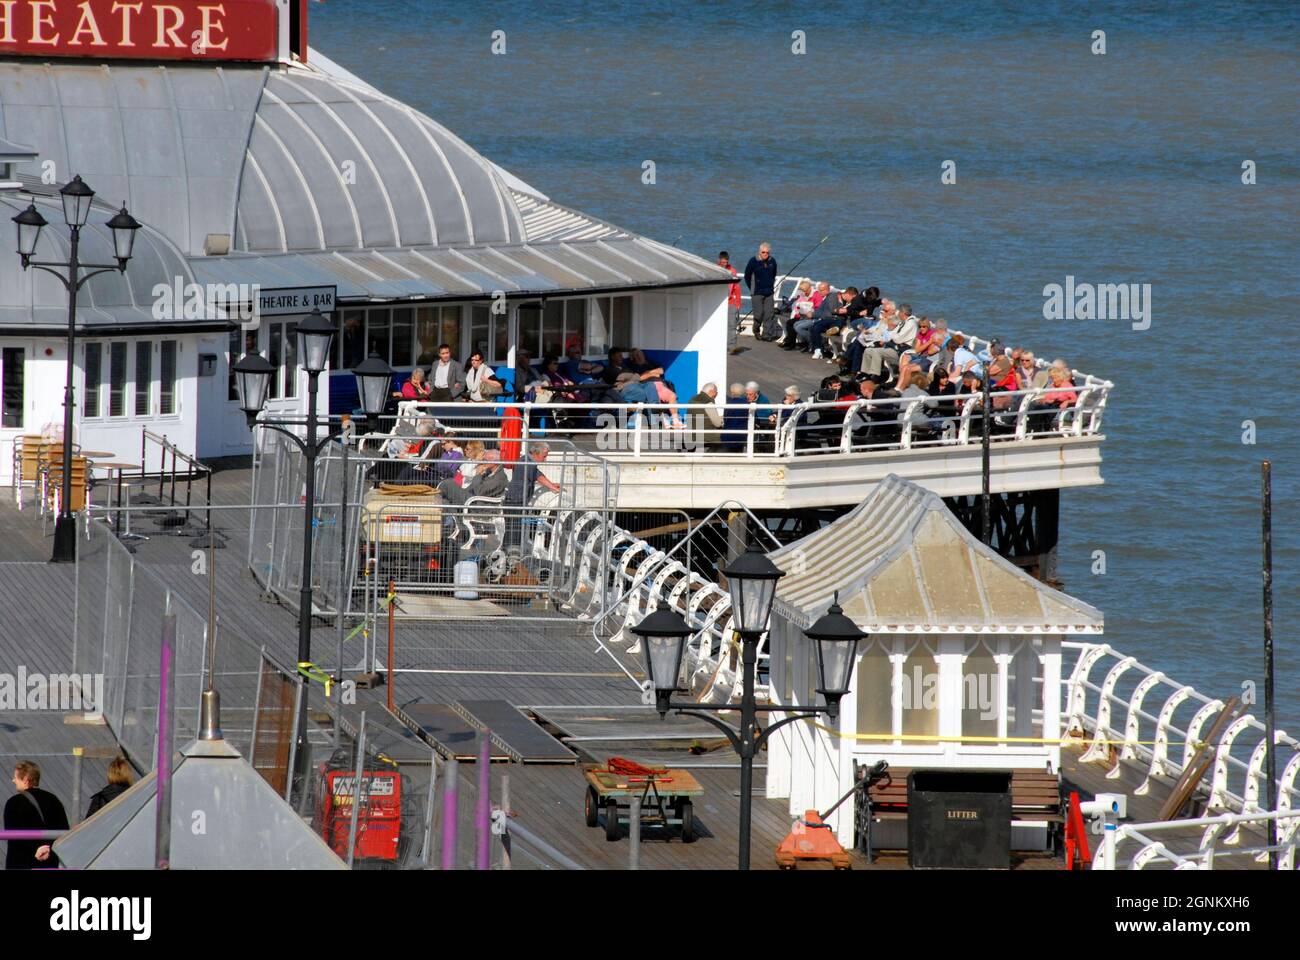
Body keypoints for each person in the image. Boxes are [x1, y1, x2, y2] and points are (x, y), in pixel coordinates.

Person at [5, 760, 69, 869]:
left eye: (15, 777)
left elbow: (13, 837)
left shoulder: (14, 803)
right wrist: (46, 849)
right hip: (50, 862)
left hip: (22, 864)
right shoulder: (53, 800)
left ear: (25, 779)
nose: (13, 780)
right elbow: (63, 830)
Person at [503, 442, 562, 553]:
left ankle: (507, 552)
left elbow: (538, 474)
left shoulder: (526, 460)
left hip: (514, 499)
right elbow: (538, 477)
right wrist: (553, 488)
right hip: (516, 500)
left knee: (512, 529)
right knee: (514, 530)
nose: (545, 459)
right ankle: (510, 554)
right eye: (544, 456)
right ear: (536, 453)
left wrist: (552, 485)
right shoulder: (527, 462)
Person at [744, 242, 778, 341]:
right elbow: (747, 276)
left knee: (769, 314)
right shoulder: (753, 261)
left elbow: (774, 274)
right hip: (756, 292)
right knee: (758, 314)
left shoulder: (772, 261)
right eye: (763, 252)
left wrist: (770, 284)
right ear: (759, 252)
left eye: (767, 252)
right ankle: (756, 329)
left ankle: (767, 334)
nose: (765, 254)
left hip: (769, 292)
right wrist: (752, 288)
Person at [686, 381, 725, 450]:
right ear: (712, 392)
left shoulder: (692, 399)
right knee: (728, 435)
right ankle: (712, 454)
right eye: (716, 392)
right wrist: (723, 419)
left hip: (691, 434)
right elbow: (717, 424)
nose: (716, 395)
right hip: (705, 435)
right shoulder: (708, 402)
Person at [719, 251, 743, 355]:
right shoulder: (715, 269)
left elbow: (737, 288)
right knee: (719, 325)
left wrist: (738, 302)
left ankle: (732, 346)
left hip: (731, 301)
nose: (725, 264)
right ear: (719, 260)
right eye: (723, 262)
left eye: (726, 262)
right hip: (719, 302)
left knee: (732, 324)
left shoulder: (732, 271)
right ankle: (719, 345)